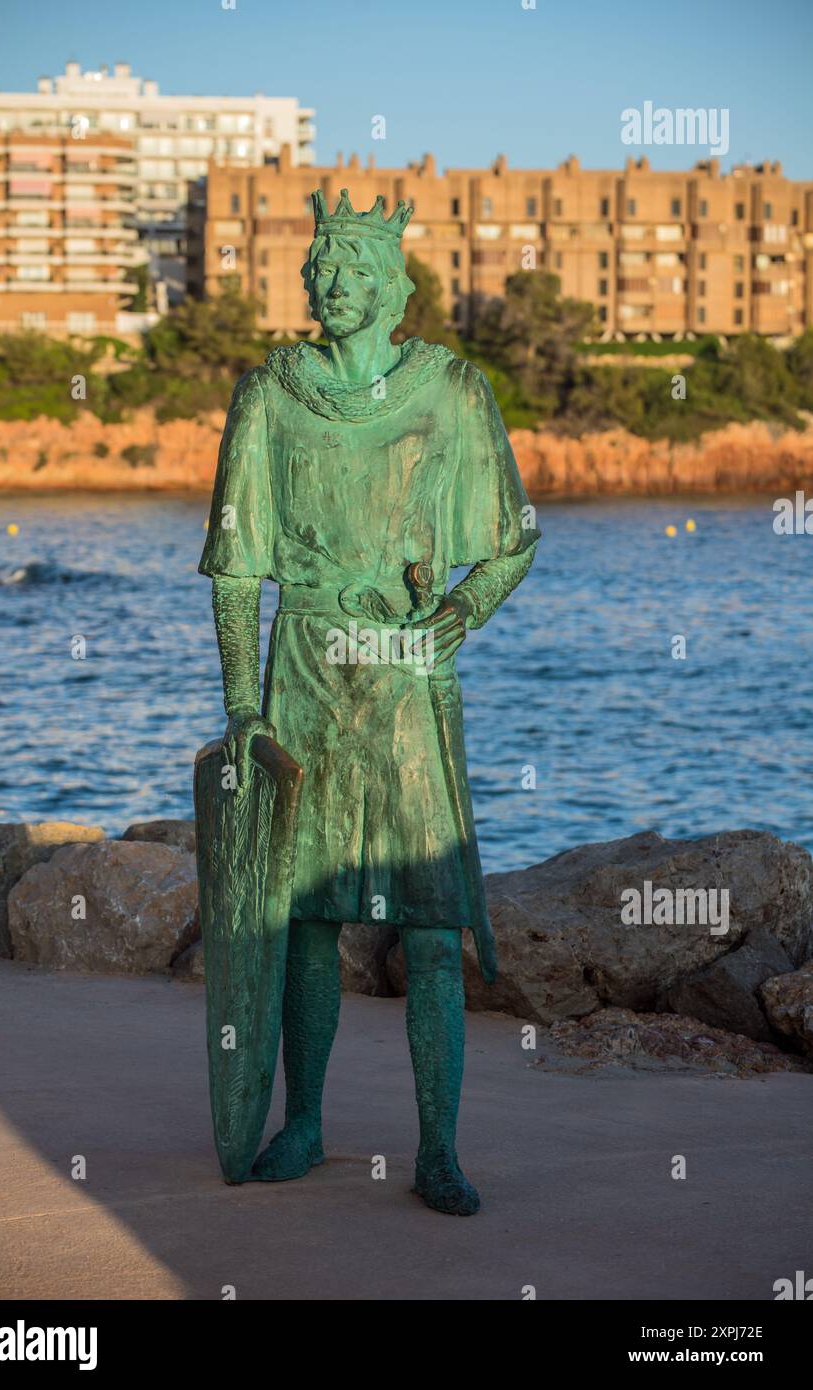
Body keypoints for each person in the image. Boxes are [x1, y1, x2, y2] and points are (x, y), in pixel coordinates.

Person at [200, 188, 540, 1215]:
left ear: (398, 285)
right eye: (321, 265)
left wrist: (464, 608)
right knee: (304, 915)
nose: (333, 281)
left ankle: (438, 1149)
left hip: (404, 675)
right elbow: (232, 569)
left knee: (430, 923)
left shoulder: (449, 390)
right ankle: (301, 1121)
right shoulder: (267, 396)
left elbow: (514, 535)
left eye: (355, 265)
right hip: (303, 666)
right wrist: (240, 707)